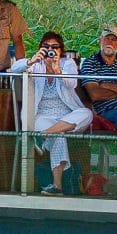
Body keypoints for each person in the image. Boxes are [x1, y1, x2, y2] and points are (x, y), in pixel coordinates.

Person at [8, 32, 90, 196]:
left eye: (54, 47)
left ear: (61, 50)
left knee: (86, 113)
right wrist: (32, 60)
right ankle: (57, 186)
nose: (50, 50)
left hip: (66, 115)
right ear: (40, 49)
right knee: (58, 135)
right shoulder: (36, 65)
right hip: (42, 115)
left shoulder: (67, 63)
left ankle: (43, 136)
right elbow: (14, 69)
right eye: (46, 47)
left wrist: (57, 70)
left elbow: (72, 83)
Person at [79, 24, 117, 132]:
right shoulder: (90, 63)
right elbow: (95, 94)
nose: (109, 42)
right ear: (100, 40)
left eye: (114, 39)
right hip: (108, 110)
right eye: (107, 38)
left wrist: (107, 85)